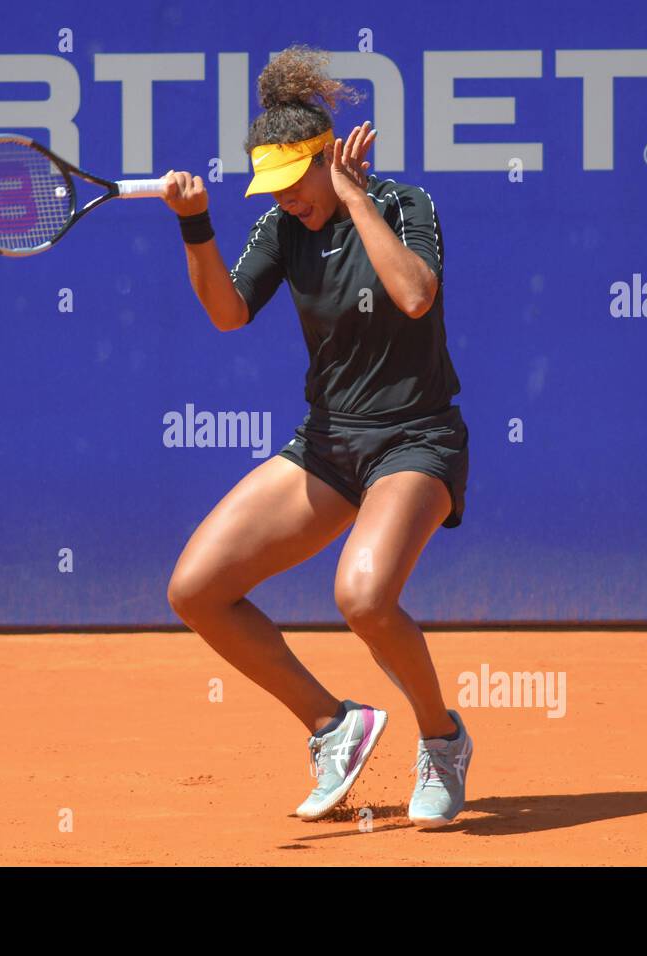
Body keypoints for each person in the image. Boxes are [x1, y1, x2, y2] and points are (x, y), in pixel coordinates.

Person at [161, 45, 472, 827]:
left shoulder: (404, 205)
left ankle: (442, 740)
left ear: (326, 161)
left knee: (363, 599)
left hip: (415, 439)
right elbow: (227, 313)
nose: (284, 201)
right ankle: (335, 724)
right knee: (196, 591)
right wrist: (195, 226)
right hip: (329, 444)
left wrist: (355, 200)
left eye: (294, 184)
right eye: (271, 189)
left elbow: (413, 295)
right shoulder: (281, 225)